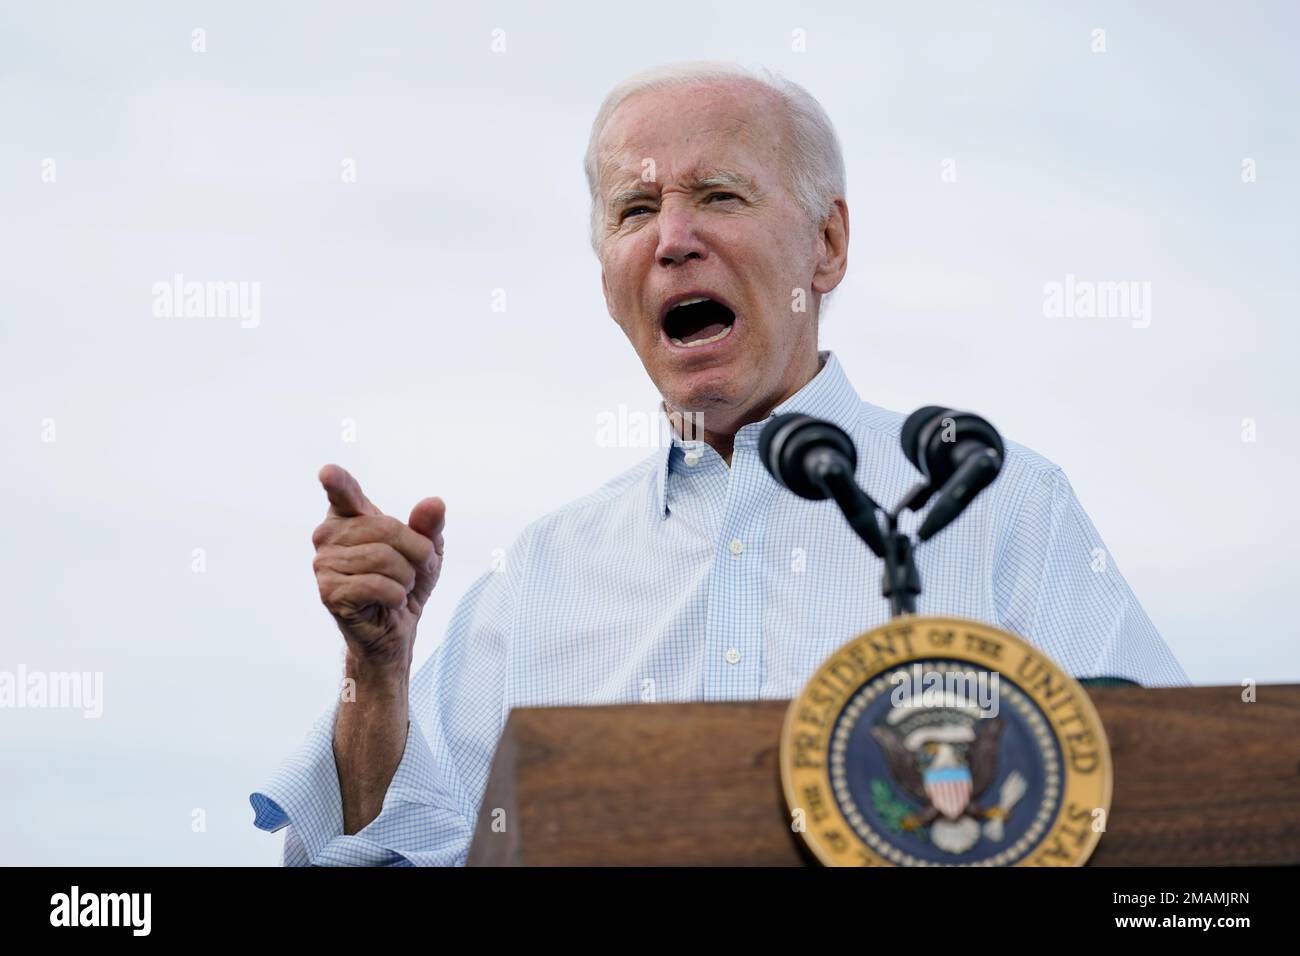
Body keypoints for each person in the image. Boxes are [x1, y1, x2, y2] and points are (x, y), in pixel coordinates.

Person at [250, 61, 1187, 866]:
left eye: (719, 195)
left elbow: (1174, 809)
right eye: (635, 209)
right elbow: (389, 855)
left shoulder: (998, 505)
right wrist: (376, 676)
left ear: (827, 245)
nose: (671, 239)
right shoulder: (542, 577)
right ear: (608, 279)